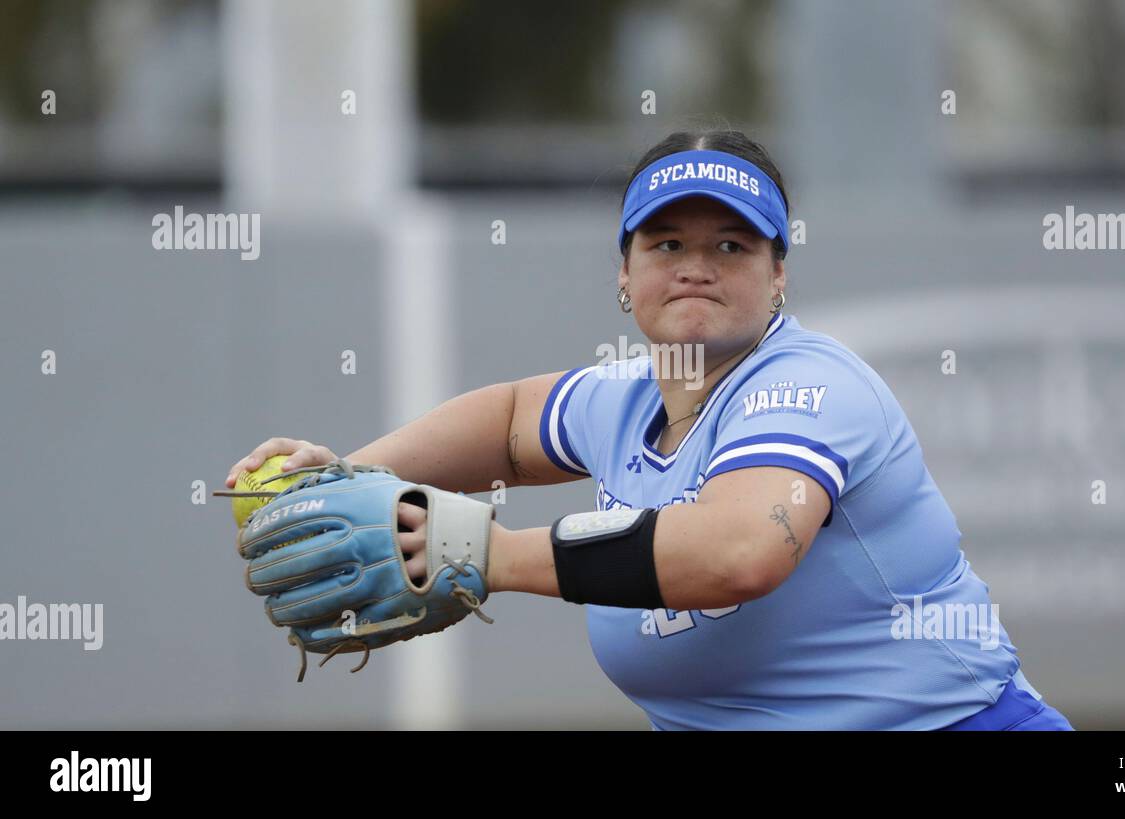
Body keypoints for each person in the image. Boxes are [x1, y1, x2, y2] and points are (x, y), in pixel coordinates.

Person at [226, 128, 1073, 731]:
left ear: (780, 277)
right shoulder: (630, 397)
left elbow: (743, 552)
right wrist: (351, 474)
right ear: (625, 278)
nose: (697, 263)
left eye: (734, 245)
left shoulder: (810, 384)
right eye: (667, 241)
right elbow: (514, 418)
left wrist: (487, 554)